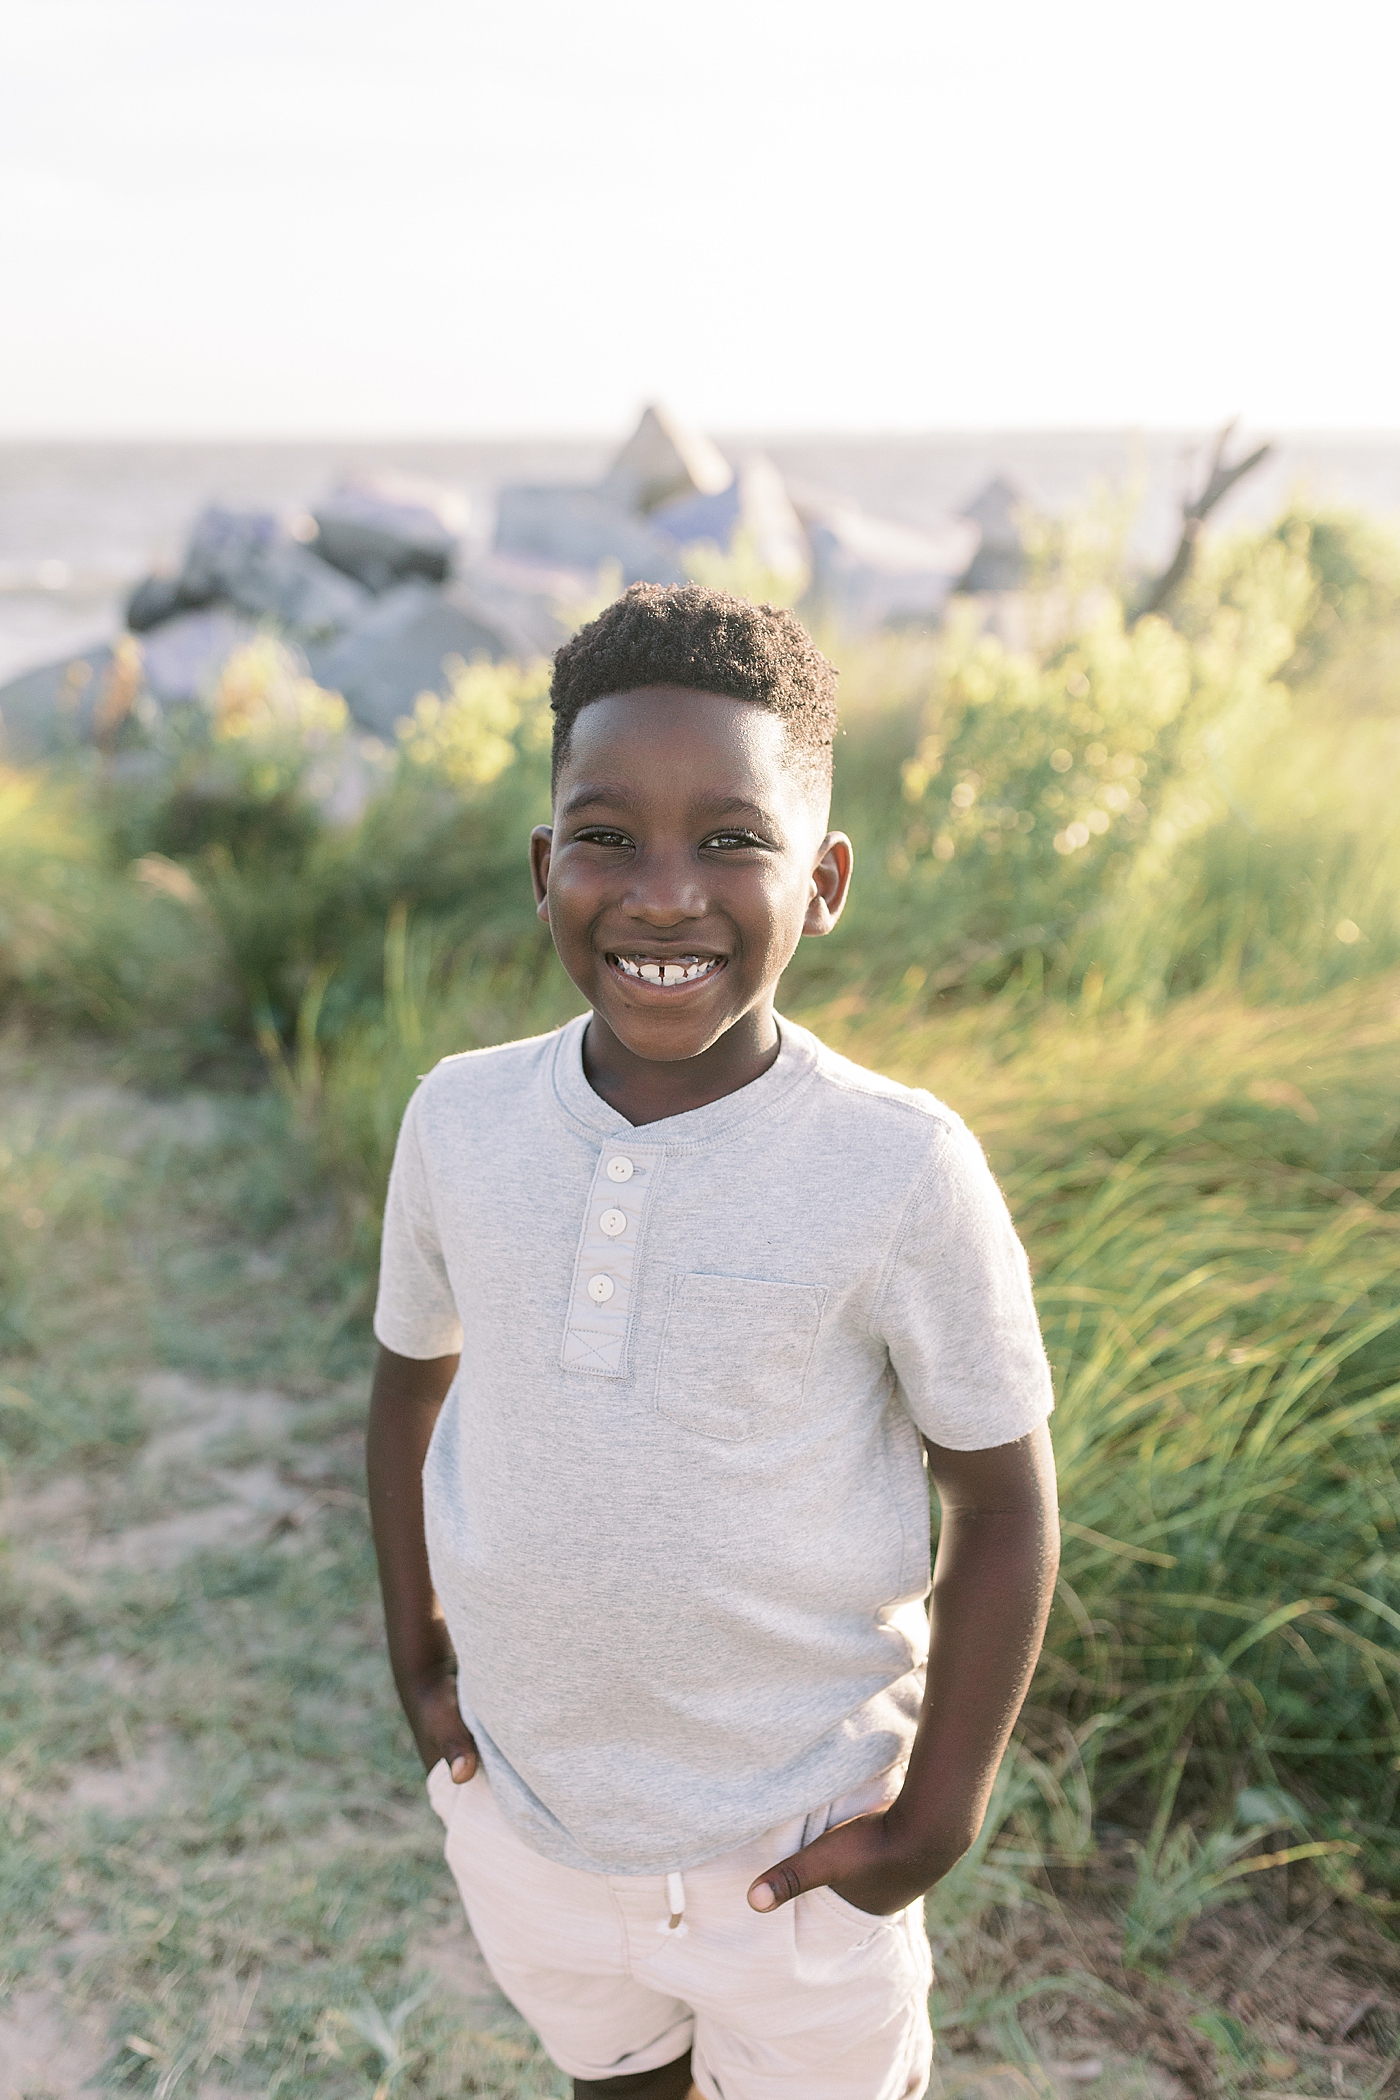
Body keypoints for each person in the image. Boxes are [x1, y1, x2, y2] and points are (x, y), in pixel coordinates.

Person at [366, 582, 1059, 2100]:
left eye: (733, 840)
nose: (664, 893)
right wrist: (418, 1659)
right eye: (608, 836)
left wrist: (934, 1818)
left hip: (795, 1856)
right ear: (547, 866)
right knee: (611, 2081)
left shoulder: (898, 1165)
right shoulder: (461, 1120)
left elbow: (1004, 1506)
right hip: (532, 1823)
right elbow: (409, 1390)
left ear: (823, 881)